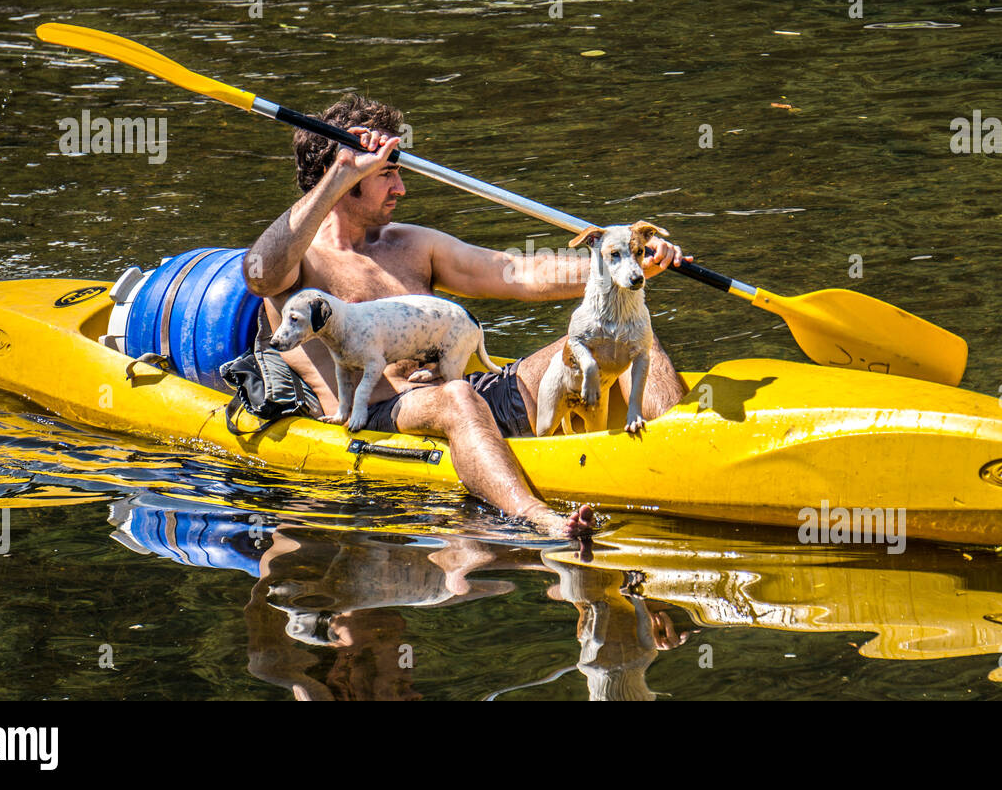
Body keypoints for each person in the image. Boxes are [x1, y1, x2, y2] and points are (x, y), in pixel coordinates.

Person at [243, 95, 688, 539]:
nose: (401, 189)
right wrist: (342, 172)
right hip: (383, 412)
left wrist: (625, 260)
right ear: (338, 176)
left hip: (468, 393)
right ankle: (539, 519)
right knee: (457, 396)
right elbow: (258, 273)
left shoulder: (410, 244)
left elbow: (518, 272)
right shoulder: (299, 267)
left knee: (630, 336)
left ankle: (690, 450)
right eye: (387, 174)